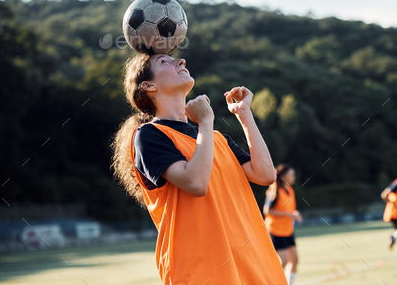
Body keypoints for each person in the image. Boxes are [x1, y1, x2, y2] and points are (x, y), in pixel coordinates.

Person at [111, 53, 287, 284]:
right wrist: (204, 121)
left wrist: (245, 115)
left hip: (253, 265)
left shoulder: (215, 138)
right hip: (203, 273)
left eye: (178, 59)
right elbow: (195, 183)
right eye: (165, 62)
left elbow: (265, 175)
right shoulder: (148, 136)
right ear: (148, 85)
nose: (181, 62)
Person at [263, 164, 302, 285]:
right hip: (275, 230)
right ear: (283, 176)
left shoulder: (290, 190)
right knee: (283, 261)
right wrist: (288, 215)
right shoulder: (275, 192)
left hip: (287, 230)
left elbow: (287, 210)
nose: (293, 177)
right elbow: (267, 210)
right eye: (291, 175)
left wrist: (294, 213)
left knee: (294, 260)